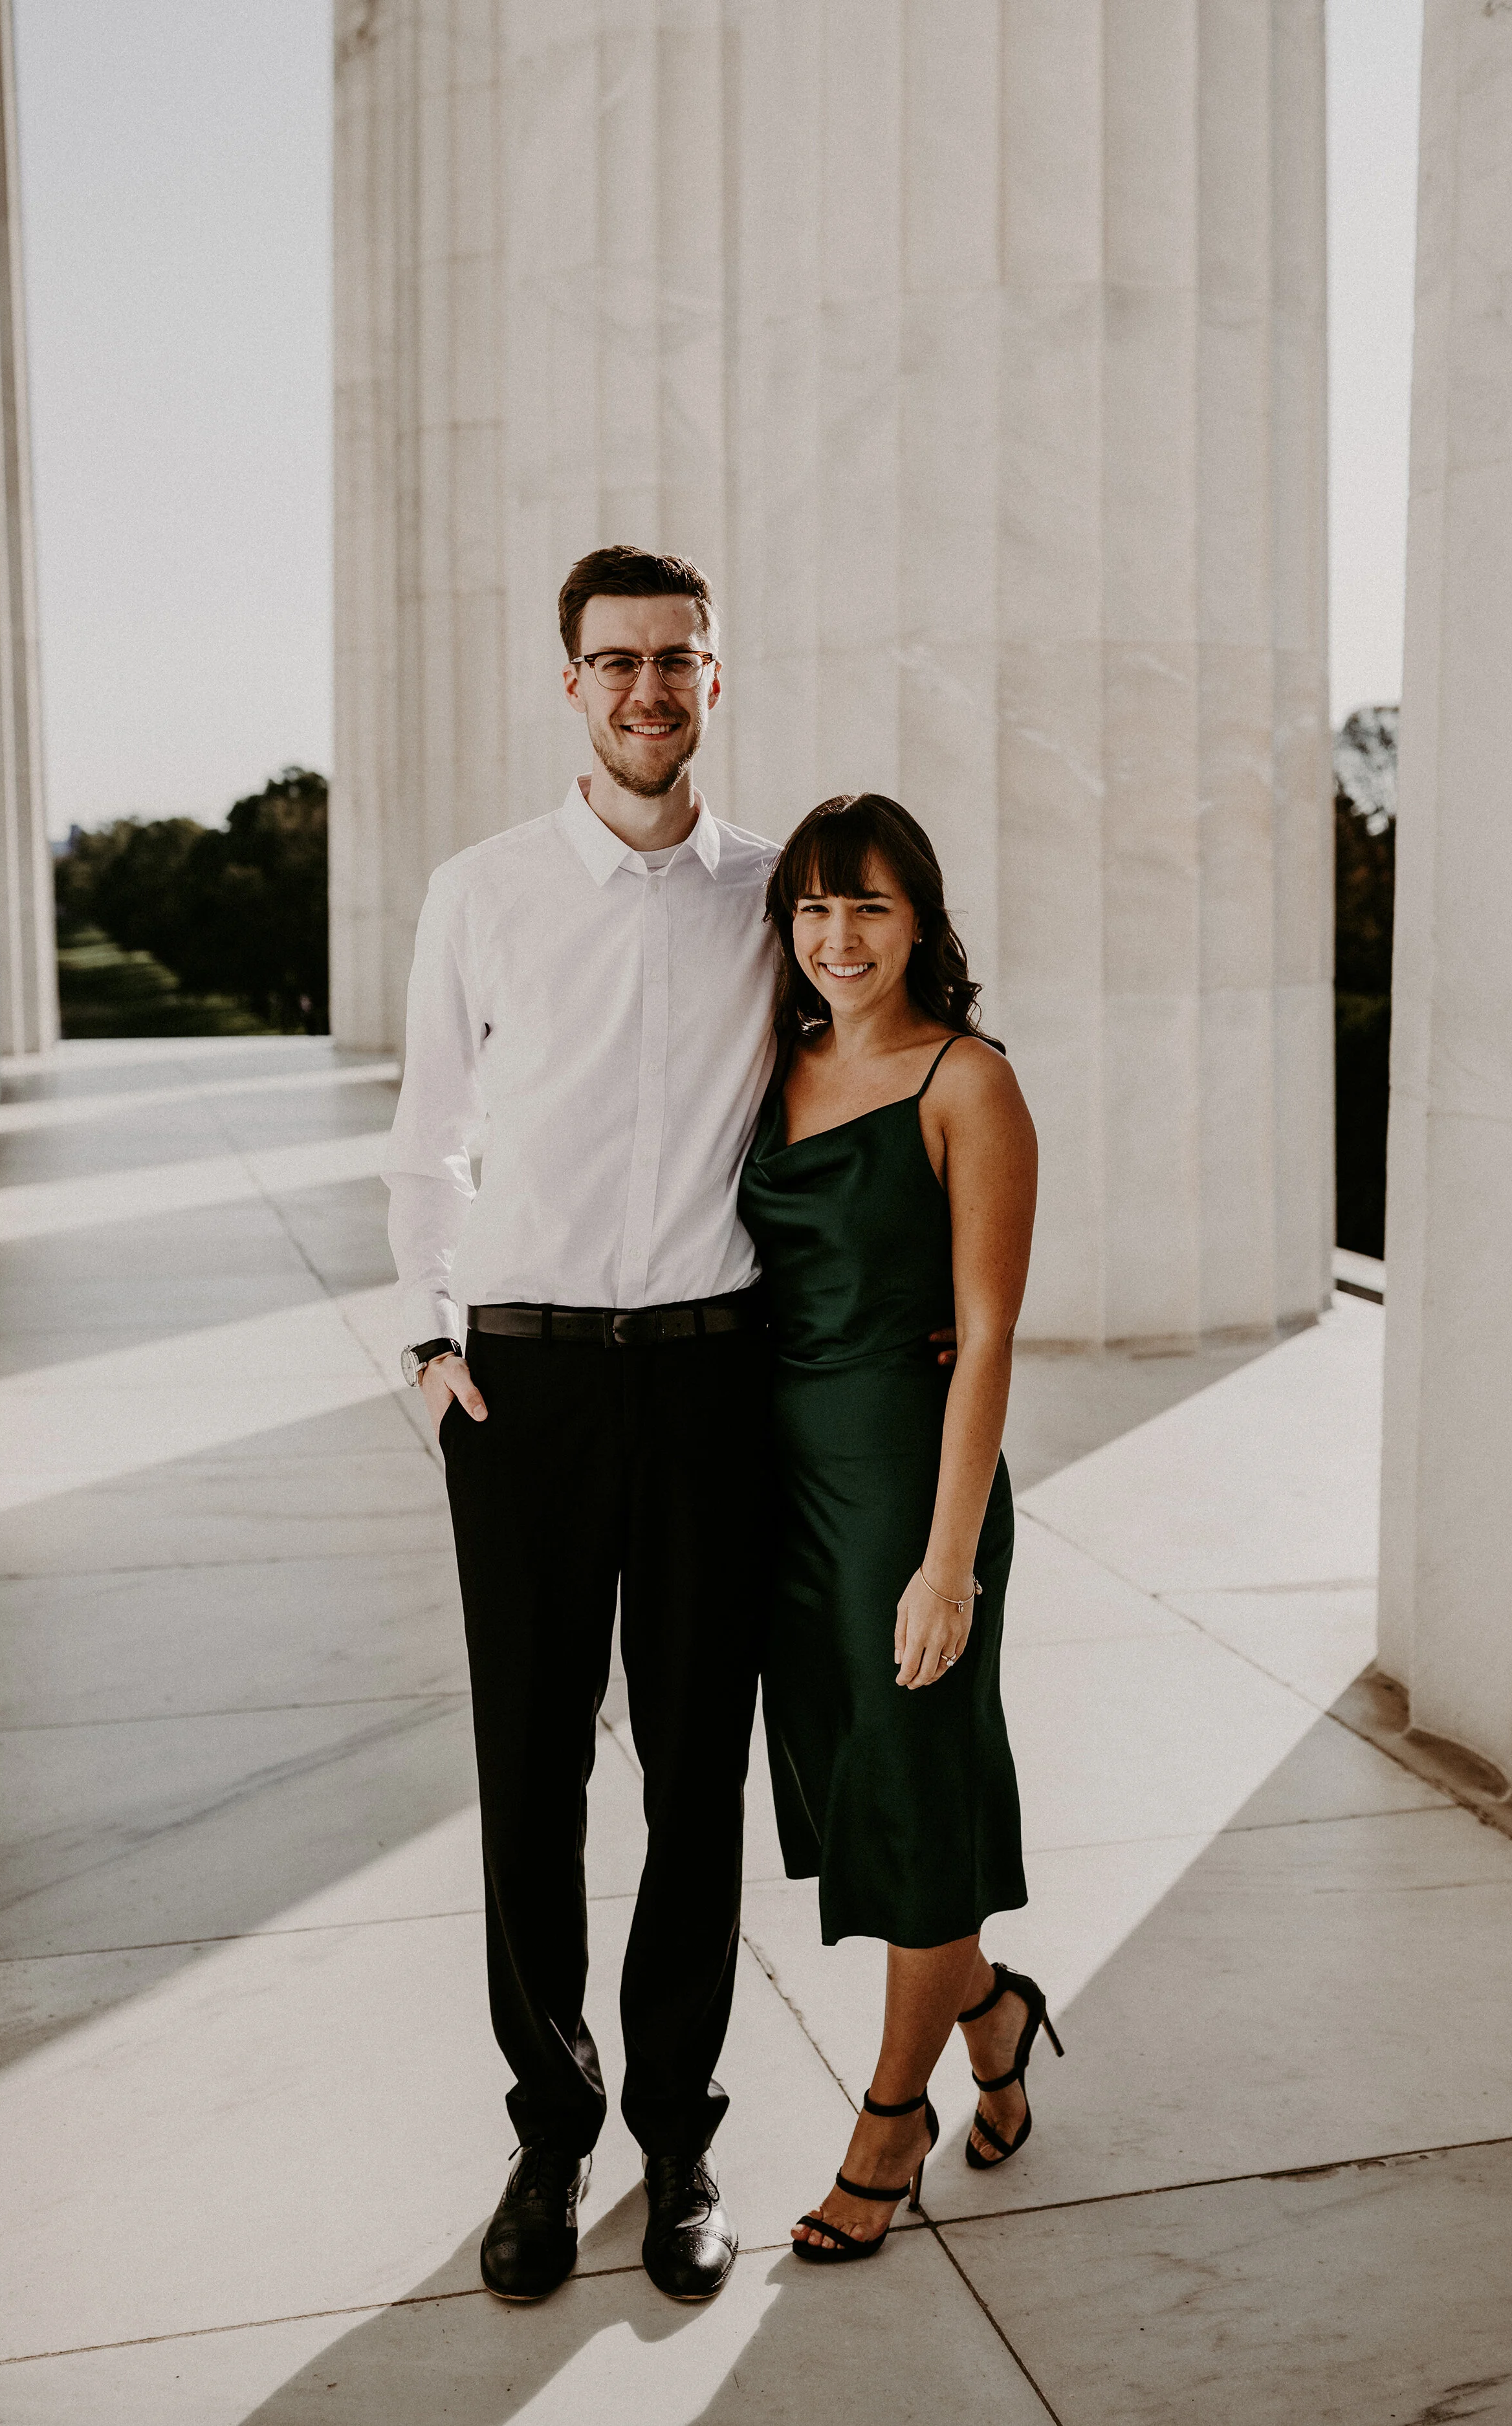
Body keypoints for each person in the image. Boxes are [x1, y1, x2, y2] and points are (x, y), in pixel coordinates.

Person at [382, 545, 778, 2305]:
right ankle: (553, 2125)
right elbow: (427, 1129)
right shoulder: (478, 891)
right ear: (569, 683)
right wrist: (425, 1335)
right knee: (530, 1773)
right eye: (614, 660)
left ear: (715, 679)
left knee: (696, 1773)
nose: (645, 689)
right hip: (524, 1384)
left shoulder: (777, 897)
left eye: (676, 661)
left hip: (708, 1382)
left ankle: (682, 2135)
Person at [736, 791, 1058, 2263]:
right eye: (810, 906)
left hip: (908, 1492)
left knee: (918, 1797)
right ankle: (990, 2009)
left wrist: (946, 1564)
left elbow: (985, 1335)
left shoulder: (965, 1081)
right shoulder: (769, 1060)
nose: (835, 935)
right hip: (780, 1485)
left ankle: (888, 2122)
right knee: (864, 1795)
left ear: (920, 918)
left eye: (866, 905)